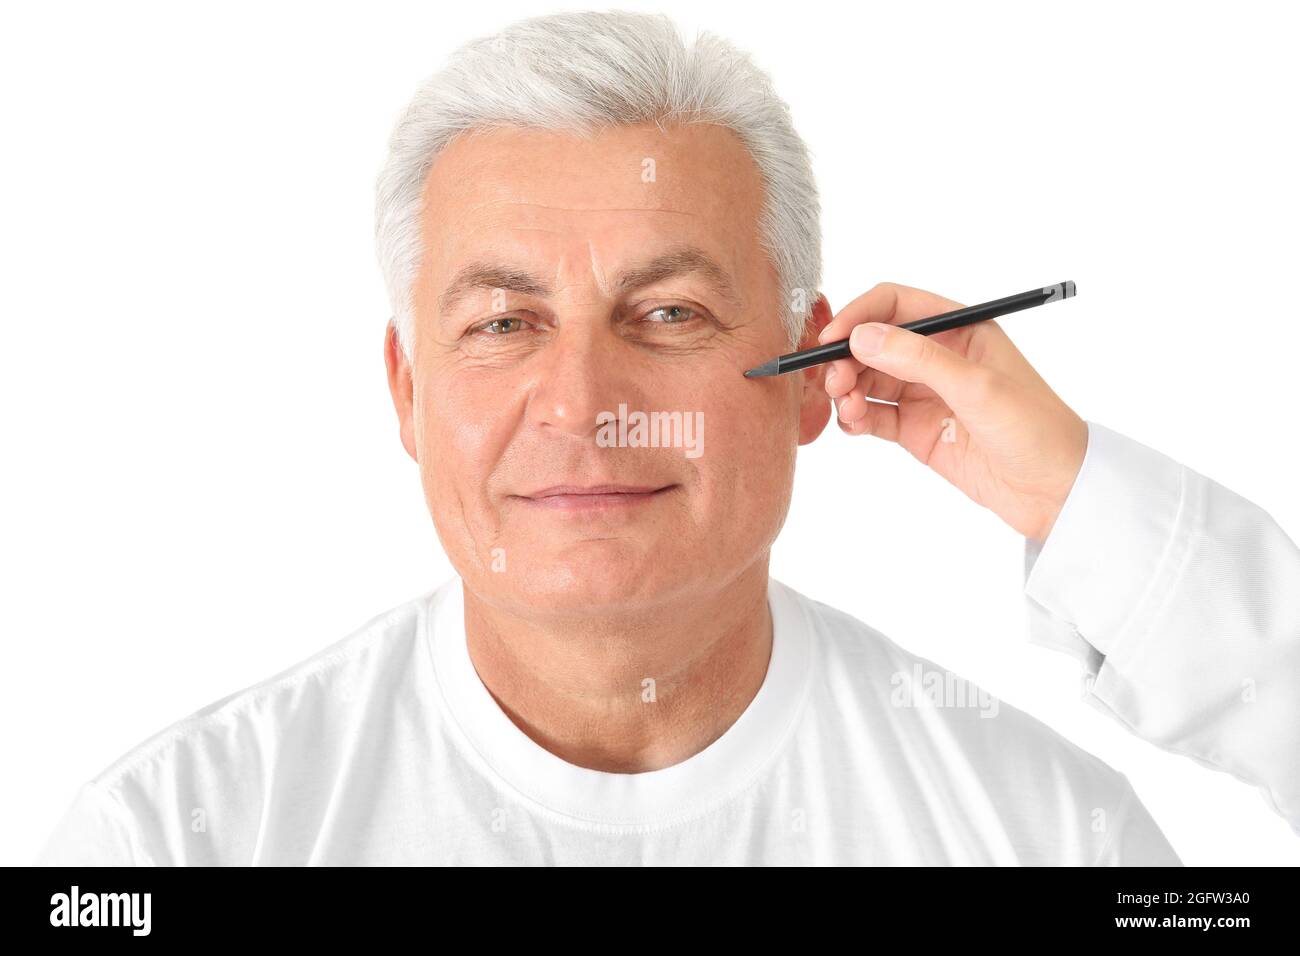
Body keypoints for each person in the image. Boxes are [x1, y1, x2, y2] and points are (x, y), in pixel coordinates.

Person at [35, 10, 1298, 866]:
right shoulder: (170, 843)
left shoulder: (1043, 838)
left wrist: (1092, 514)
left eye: (671, 313)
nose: (584, 402)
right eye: (502, 320)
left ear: (815, 372)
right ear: (405, 391)